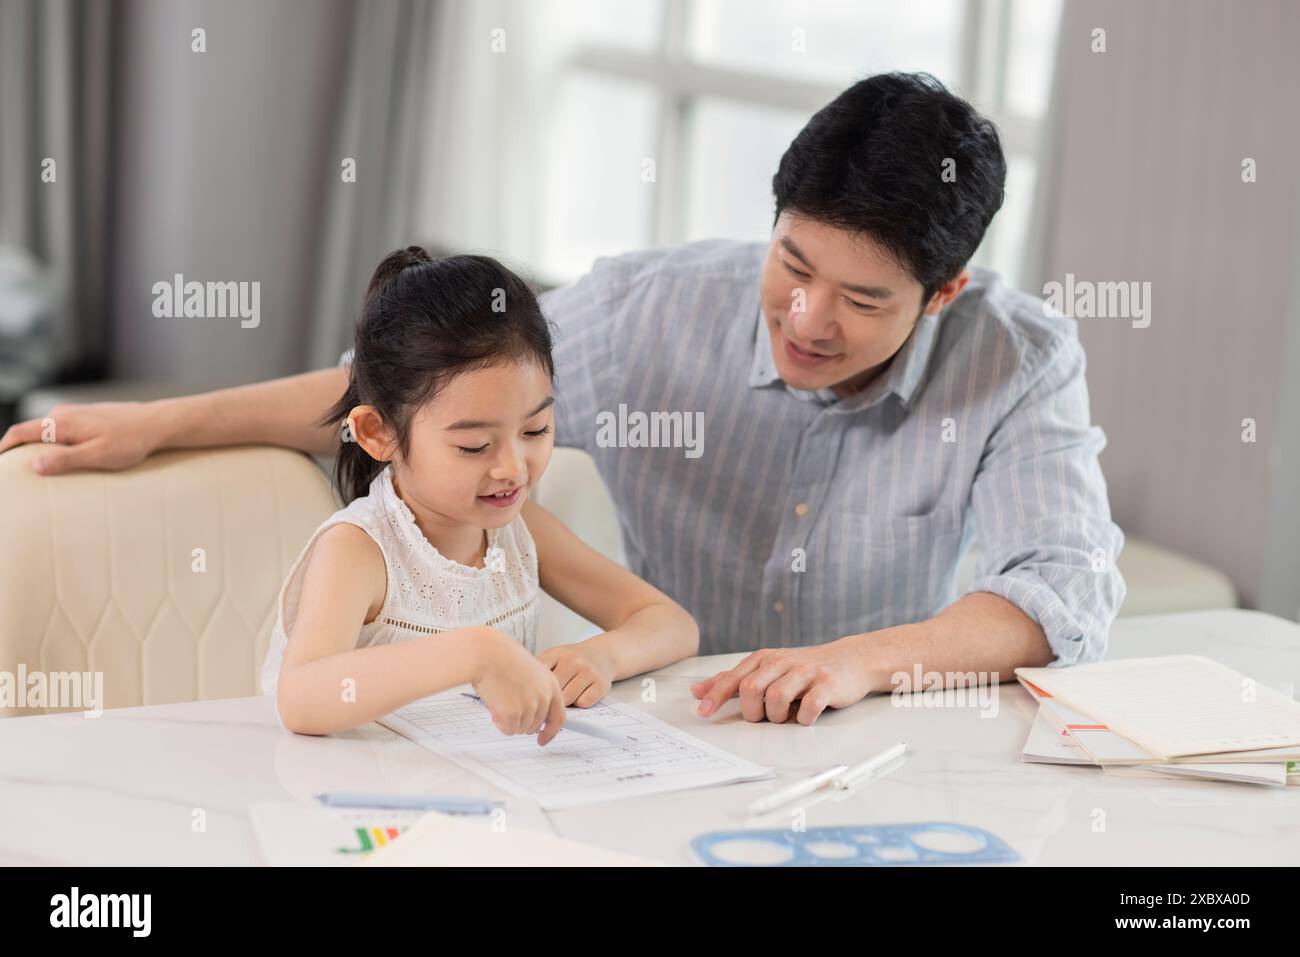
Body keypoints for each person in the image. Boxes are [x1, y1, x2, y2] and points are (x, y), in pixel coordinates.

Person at [0, 73, 1125, 727]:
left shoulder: (1017, 359)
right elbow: (410, 384)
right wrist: (151, 421)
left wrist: (858, 660)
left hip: (865, 731)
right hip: (663, 735)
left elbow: (1061, 592)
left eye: (862, 300)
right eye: (790, 266)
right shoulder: (652, 312)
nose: (806, 320)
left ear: (943, 295)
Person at [261, 246, 698, 736]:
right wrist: (474, 653)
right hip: (353, 800)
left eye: (535, 431)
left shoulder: (521, 528)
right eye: (474, 446)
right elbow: (302, 698)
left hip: (478, 794)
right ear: (378, 434)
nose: (513, 468)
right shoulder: (360, 549)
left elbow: (671, 623)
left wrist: (601, 655)